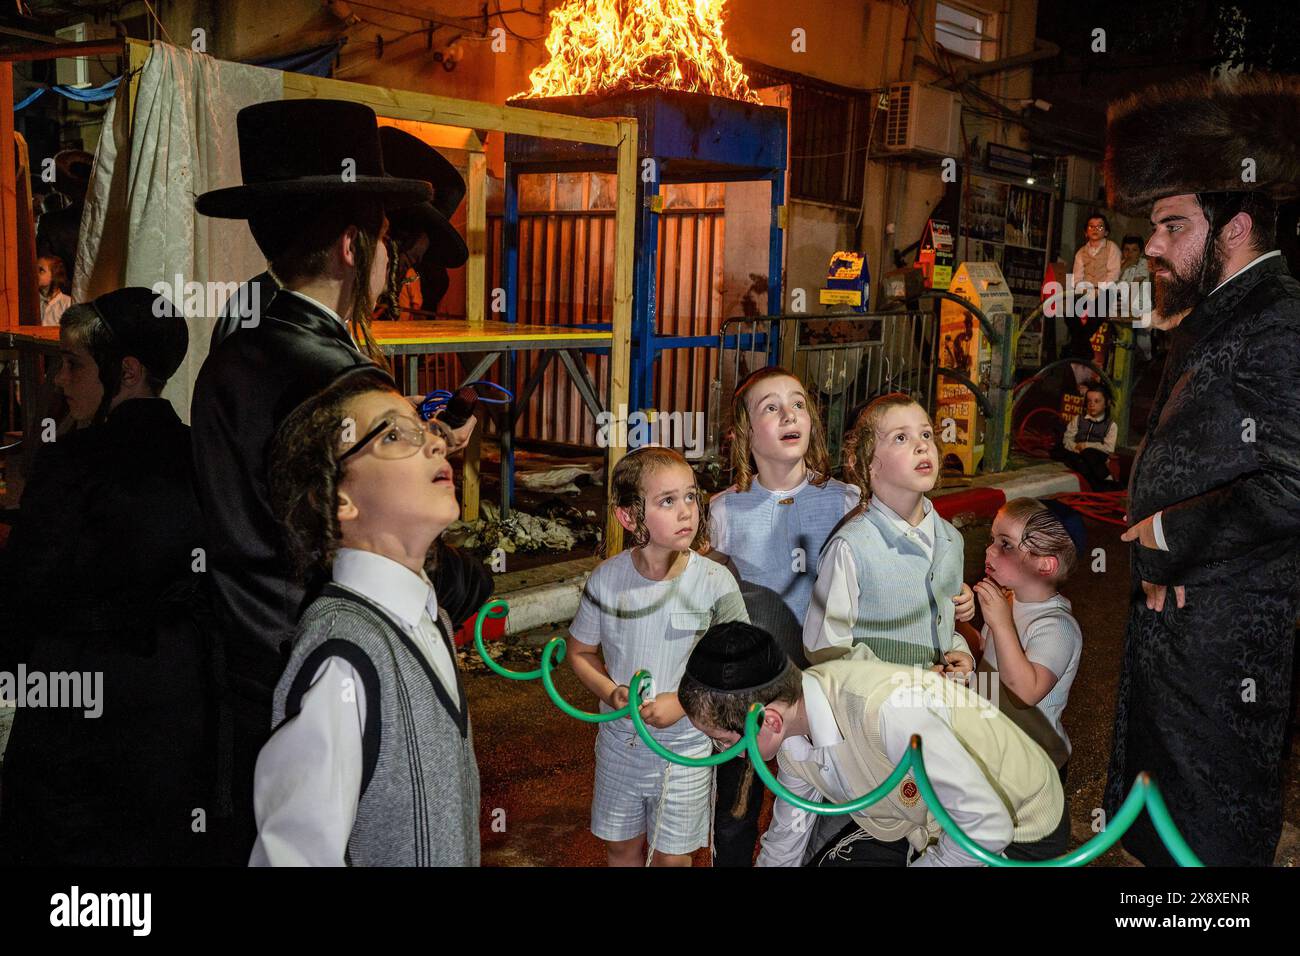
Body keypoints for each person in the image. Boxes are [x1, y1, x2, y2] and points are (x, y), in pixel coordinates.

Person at [190, 99, 488, 862]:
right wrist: (465, 582)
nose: (398, 265)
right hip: (331, 668)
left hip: (243, 676)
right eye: (391, 241)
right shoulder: (337, 378)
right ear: (356, 246)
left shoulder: (235, 343)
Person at [1102, 72, 1300, 866]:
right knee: (1162, 840)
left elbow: (1292, 483)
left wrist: (1167, 536)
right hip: (1179, 641)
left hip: (1221, 658)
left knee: (1204, 849)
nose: (1151, 245)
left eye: (1172, 225)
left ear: (1236, 226)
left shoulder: (1279, 321)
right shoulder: (1222, 313)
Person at [0, 288, 209, 865]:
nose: (61, 379)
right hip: (173, 689)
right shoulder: (198, 453)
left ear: (129, 372)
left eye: (73, 364)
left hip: (79, 694)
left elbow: (26, 585)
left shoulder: (74, 462)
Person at [250, 366, 479, 866]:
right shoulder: (343, 659)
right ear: (340, 500)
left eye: (427, 432)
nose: (437, 446)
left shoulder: (427, 618)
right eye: (395, 435)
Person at [678, 621, 1068, 866]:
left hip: (1020, 828)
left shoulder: (887, 712)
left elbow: (987, 826)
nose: (721, 752)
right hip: (924, 823)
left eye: (721, 740)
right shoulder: (794, 730)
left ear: (769, 720)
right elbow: (788, 833)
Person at [705, 366, 859, 865]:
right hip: (753, 688)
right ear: (745, 434)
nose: (789, 413)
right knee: (736, 809)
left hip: (824, 684)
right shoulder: (723, 510)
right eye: (770, 407)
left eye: (797, 403)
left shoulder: (846, 499)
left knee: (824, 809)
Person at [567, 446, 748, 867]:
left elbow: (740, 663)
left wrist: (685, 702)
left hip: (686, 747)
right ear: (629, 517)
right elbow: (579, 652)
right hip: (619, 745)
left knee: (673, 858)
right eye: (668, 501)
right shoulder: (607, 580)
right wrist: (613, 694)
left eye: (690, 496)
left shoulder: (715, 581)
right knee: (621, 848)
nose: (687, 511)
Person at [804, 393, 975, 672]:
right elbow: (825, 649)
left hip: (937, 704)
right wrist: (908, 681)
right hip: (879, 709)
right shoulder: (852, 548)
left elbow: (941, 627)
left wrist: (961, 654)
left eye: (926, 434)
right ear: (865, 461)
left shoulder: (951, 540)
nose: (922, 446)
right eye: (900, 438)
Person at [974, 498, 1084, 778]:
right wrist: (956, 621)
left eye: (1006, 544)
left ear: (1045, 567)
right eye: (993, 539)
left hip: (1035, 766)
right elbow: (989, 656)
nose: (990, 550)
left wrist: (1000, 623)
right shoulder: (1009, 601)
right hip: (996, 752)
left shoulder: (1057, 628)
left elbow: (1026, 692)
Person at [1067, 214, 1121, 384]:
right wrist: (1086, 292)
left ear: (1106, 232)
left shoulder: (1112, 248)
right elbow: (1077, 278)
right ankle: (1086, 351)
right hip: (1087, 292)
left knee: (1099, 310)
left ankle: (1075, 349)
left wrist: (1097, 290)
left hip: (1106, 291)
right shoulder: (1080, 253)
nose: (1095, 230)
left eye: (1100, 226)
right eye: (1091, 226)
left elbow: (1113, 274)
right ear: (1085, 232)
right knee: (1069, 311)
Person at [1051, 384, 1118, 490]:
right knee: (1066, 454)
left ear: (1107, 403)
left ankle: (1105, 478)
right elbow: (1067, 438)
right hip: (1077, 453)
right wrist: (1076, 447)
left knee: (1088, 454)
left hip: (1097, 455)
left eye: (1097, 401)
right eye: (1089, 401)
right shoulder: (1079, 419)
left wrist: (1087, 446)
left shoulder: (1111, 425)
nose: (1092, 405)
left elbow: (1108, 448)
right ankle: (1102, 483)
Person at [1119, 234, 1154, 359]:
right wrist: (1123, 266)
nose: (1130, 254)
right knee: (1122, 338)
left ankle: (1148, 358)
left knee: (1143, 342)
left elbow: (1134, 285)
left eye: (1134, 250)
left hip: (1141, 306)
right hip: (1123, 307)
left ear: (1140, 252)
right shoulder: (1120, 264)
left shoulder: (1143, 263)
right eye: (1126, 250)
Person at [37, 254, 71, 327]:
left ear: (54, 275)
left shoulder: (67, 303)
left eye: (41, 270)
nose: (35, 273)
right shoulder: (31, 301)